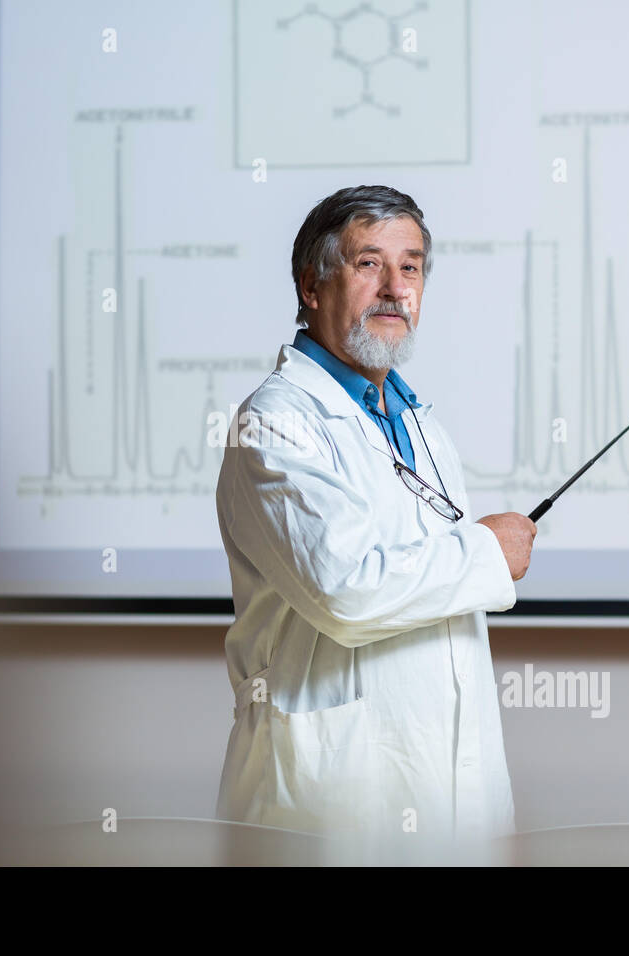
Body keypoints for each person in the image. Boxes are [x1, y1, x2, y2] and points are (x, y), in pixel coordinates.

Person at [213, 184, 537, 859]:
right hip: (335, 804)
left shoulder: (418, 422)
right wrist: (484, 553)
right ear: (312, 284)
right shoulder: (274, 421)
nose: (395, 288)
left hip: (451, 799)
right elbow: (347, 593)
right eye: (369, 264)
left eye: (411, 266)